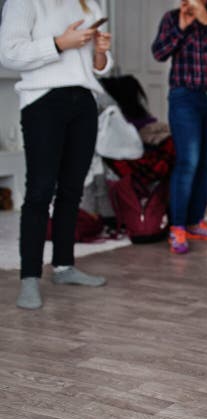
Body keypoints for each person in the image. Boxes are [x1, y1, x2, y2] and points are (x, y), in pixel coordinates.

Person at [0, 0, 113, 309]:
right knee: (39, 191)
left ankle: (64, 266)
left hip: (84, 101)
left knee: (72, 190)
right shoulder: (23, 3)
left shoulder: (87, 4)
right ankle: (29, 278)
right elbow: (8, 52)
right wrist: (59, 43)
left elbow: (100, 66)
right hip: (43, 102)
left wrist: (101, 49)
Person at [152, 0, 207, 254]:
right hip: (184, 99)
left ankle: (195, 221)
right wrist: (181, 27)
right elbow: (159, 53)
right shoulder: (171, 19)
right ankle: (177, 226)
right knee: (187, 161)